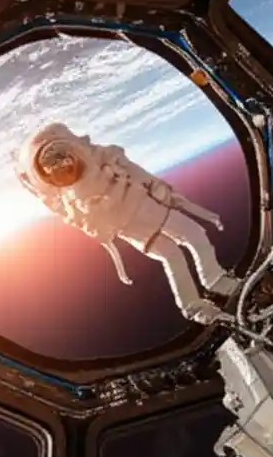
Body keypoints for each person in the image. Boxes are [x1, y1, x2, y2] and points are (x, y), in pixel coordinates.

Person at [15, 123, 239, 324]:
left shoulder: (104, 159)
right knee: (172, 254)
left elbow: (137, 174)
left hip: (147, 209)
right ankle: (194, 306)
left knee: (194, 233)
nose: (62, 167)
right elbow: (76, 216)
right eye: (52, 167)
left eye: (62, 158)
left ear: (71, 151)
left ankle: (215, 280)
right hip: (132, 227)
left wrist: (163, 192)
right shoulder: (67, 199)